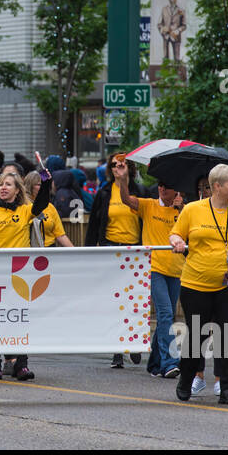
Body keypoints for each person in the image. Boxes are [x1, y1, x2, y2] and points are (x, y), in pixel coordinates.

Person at [169, 164, 228, 405]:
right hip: (196, 284)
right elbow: (175, 234)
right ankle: (186, 378)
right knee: (197, 335)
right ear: (216, 187)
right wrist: (178, 241)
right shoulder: (192, 210)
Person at [0, 168, 53, 381]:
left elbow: (41, 204)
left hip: (19, 276)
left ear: (17, 190)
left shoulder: (25, 210)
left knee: (19, 320)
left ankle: (22, 365)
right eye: (0, 185)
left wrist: (45, 184)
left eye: (8, 185)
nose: (3, 188)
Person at [118, 178, 185, 379]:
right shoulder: (149, 205)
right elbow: (126, 200)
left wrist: (182, 209)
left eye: (167, 185)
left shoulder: (184, 211)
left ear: (177, 191)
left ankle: (155, 364)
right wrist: (122, 180)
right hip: (154, 268)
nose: (162, 188)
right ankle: (170, 362)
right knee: (165, 313)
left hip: (176, 270)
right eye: (160, 185)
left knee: (168, 315)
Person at [88, 153, 146, 367]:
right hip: (110, 248)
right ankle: (117, 349)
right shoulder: (104, 192)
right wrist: (90, 251)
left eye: (122, 164)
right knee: (114, 300)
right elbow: (94, 224)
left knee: (134, 299)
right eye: (113, 164)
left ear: (129, 167)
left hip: (135, 251)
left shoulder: (140, 192)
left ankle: (133, 342)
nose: (117, 167)